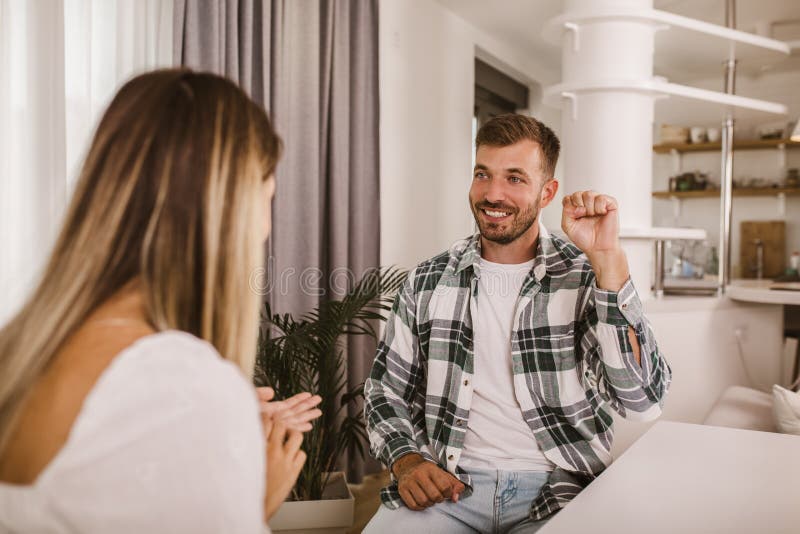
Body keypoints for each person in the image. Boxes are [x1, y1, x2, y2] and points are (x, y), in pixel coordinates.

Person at [0, 69, 321, 533]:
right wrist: (254, 500)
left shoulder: (21, 349)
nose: (265, 230)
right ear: (225, 213)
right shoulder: (182, 387)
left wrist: (216, 430)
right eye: (266, 198)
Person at [363, 114, 672, 533]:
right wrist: (407, 459)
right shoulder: (427, 280)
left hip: (559, 492)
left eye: (514, 178)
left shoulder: (586, 279)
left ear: (547, 193)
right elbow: (386, 389)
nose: (493, 193)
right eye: (482, 174)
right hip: (449, 488)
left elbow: (642, 403)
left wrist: (609, 267)